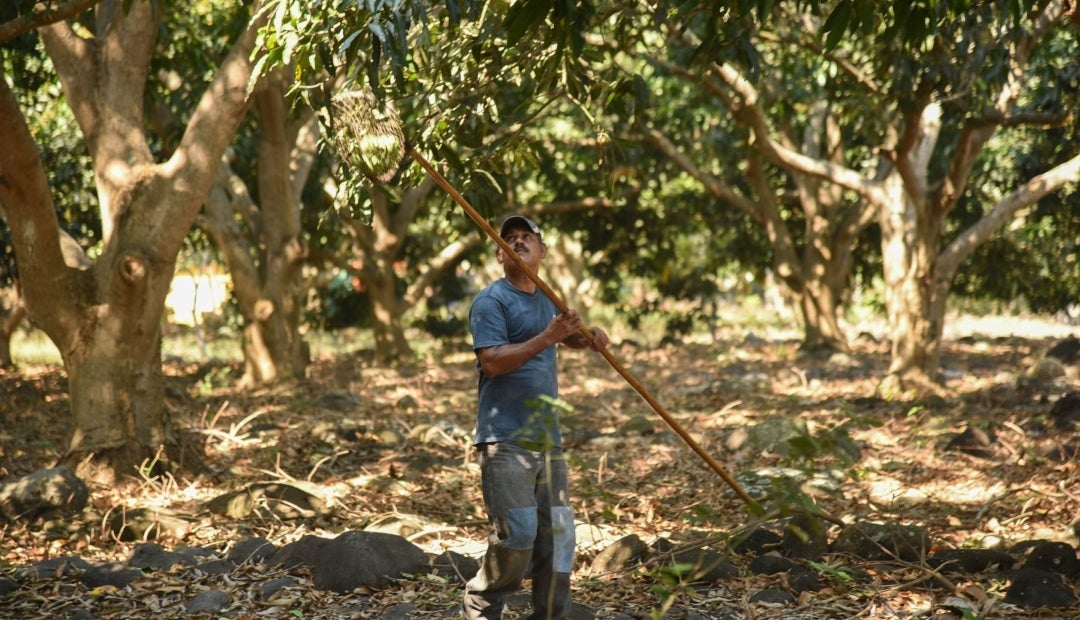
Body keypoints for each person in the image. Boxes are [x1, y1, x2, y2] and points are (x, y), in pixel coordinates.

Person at [463, 215, 610, 620]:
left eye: (526, 237)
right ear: (500, 254)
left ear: (542, 251)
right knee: (519, 533)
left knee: (560, 535)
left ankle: (550, 614)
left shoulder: (547, 296)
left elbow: (568, 334)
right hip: (504, 438)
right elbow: (493, 362)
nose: (518, 242)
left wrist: (589, 337)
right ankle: (481, 607)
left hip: (548, 439)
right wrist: (549, 336)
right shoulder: (491, 301)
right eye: (509, 238)